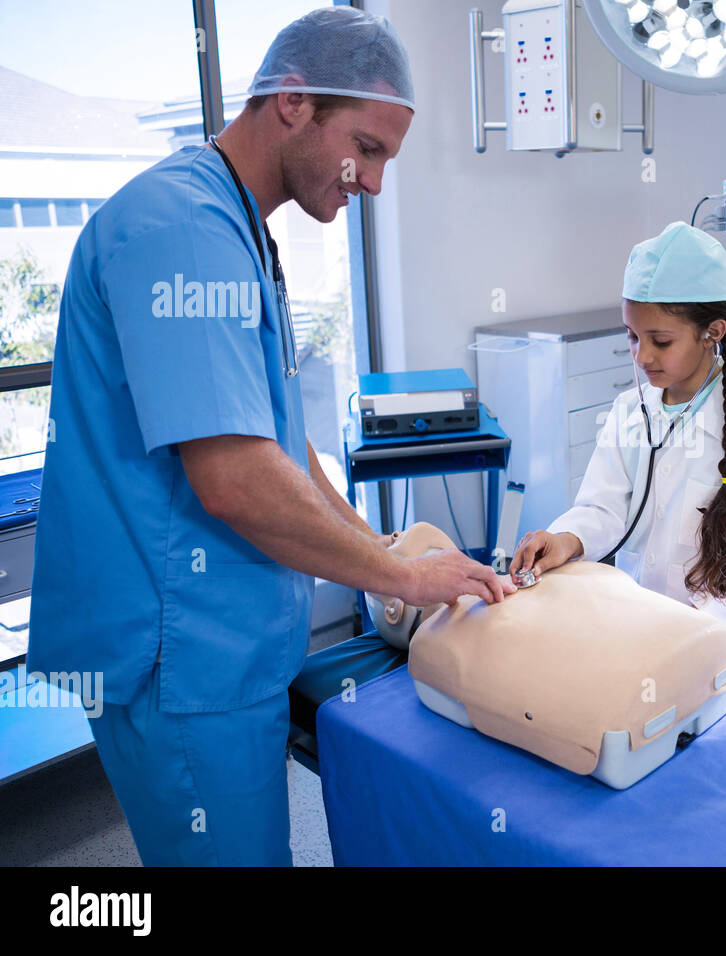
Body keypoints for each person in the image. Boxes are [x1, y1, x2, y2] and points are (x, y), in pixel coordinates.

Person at [26, 7, 510, 867]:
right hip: (177, 658)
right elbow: (237, 480)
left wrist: (385, 547)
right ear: (292, 101)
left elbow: (286, 447)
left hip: (227, 646)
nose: (373, 181)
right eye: (367, 147)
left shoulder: (243, 230)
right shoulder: (182, 229)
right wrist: (402, 574)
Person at [510, 221, 726, 635]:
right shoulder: (629, 410)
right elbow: (602, 508)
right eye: (631, 336)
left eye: (660, 341)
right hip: (630, 623)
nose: (641, 355)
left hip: (707, 636)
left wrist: (699, 622)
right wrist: (566, 539)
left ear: (712, 332)